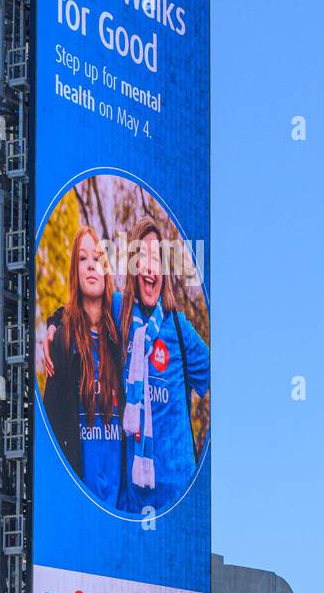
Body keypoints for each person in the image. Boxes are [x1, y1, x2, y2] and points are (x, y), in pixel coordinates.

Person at [116, 215, 209, 513]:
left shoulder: (179, 328)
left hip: (179, 500)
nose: (151, 269)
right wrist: (53, 326)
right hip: (133, 505)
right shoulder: (119, 315)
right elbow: (81, 304)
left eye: (157, 259)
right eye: (143, 257)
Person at [41, 227, 124, 507]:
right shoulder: (63, 341)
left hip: (123, 503)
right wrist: (55, 324)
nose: (91, 264)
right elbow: (50, 428)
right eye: (82, 258)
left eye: (98, 258)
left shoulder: (122, 337)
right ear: (75, 272)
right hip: (79, 500)